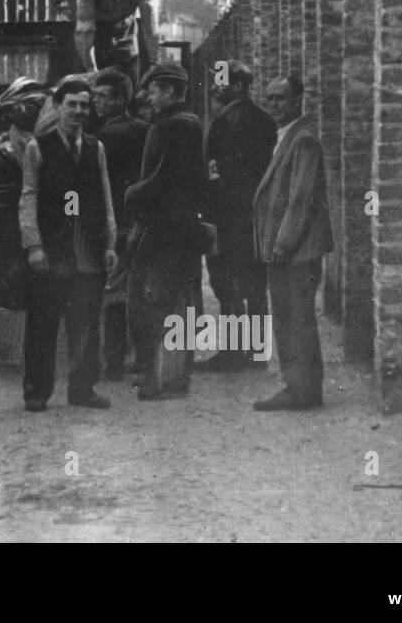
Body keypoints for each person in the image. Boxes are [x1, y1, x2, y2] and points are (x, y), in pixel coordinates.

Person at [19, 77, 116, 412]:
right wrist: (33, 245)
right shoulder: (38, 147)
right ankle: (37, 391)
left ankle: (83, 389)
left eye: (84, 105)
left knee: (86, 321)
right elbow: (28, 197)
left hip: (87, 248)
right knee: (43, 323)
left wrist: (110, 242)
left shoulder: (95, 147)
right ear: (58, 107)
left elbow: (104, 196)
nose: (78, 111)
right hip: (50, 251)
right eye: (71, 104)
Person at [123, 63, 207, 400]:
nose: (148, 96)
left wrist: (132, 193)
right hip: (177, 226)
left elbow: (166, 178)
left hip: (162, 228)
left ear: (170, 91)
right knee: (175, 300)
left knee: (150, 302)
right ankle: (173, 376)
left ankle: (155, 377)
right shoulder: (186, 123)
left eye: (154, 89)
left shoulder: (174, 125)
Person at [252, 76, 334, 411]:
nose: (273, 105)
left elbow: (301, 198)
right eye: (269, 98)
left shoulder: (303, 140)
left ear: (298, 101)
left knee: (296, 318)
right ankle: (298, 385)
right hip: (286, 247)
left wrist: (283, 244)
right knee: (288, 316)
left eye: (281, 98)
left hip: (297, 249)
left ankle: (302, 389)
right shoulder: (286, 136)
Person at [197, 60, 277, 372]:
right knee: (255, 283)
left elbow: (216, 173)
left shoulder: (223, 122)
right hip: (255, 215)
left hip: (227, 217)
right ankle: (257, 351)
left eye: (221, 82)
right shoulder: (265, 120)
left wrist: (209, 209)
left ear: (240, 86)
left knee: (226, 283)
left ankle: (232, 353)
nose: (216, 88)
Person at [89, 71, 148, 381]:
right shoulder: (144, 129)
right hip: (137, 219)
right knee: (136, 292)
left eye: (103, 96)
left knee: (112, 293)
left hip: (115, 222)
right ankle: (139, 356)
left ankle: (113, 364)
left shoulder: (106, 135)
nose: (96, 101)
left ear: (120, 100)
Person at [74, 0, 159, 90]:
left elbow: (150, 26)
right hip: (95, 45)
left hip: (126, 48)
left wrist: (154, 62)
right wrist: (91, 69)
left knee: (128, 94)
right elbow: (85, 31)